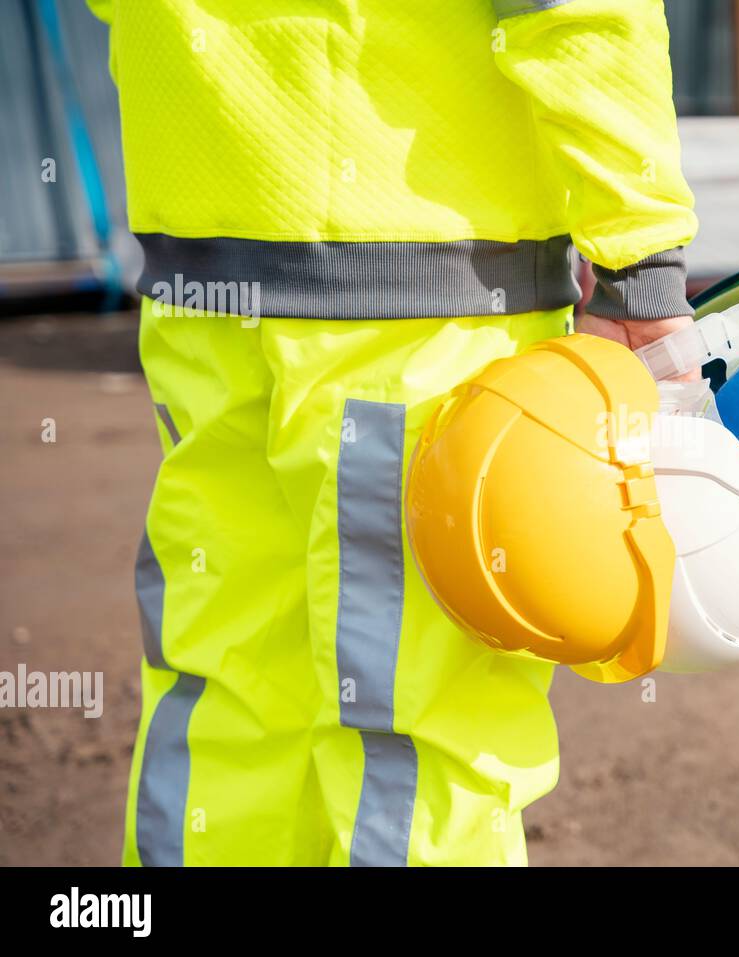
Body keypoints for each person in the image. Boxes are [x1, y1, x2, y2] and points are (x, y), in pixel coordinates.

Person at [86, 0, 697, 866]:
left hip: (206, 263)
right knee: (419, 731)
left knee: (229, 691)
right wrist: (640, 256)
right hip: (419, 284)